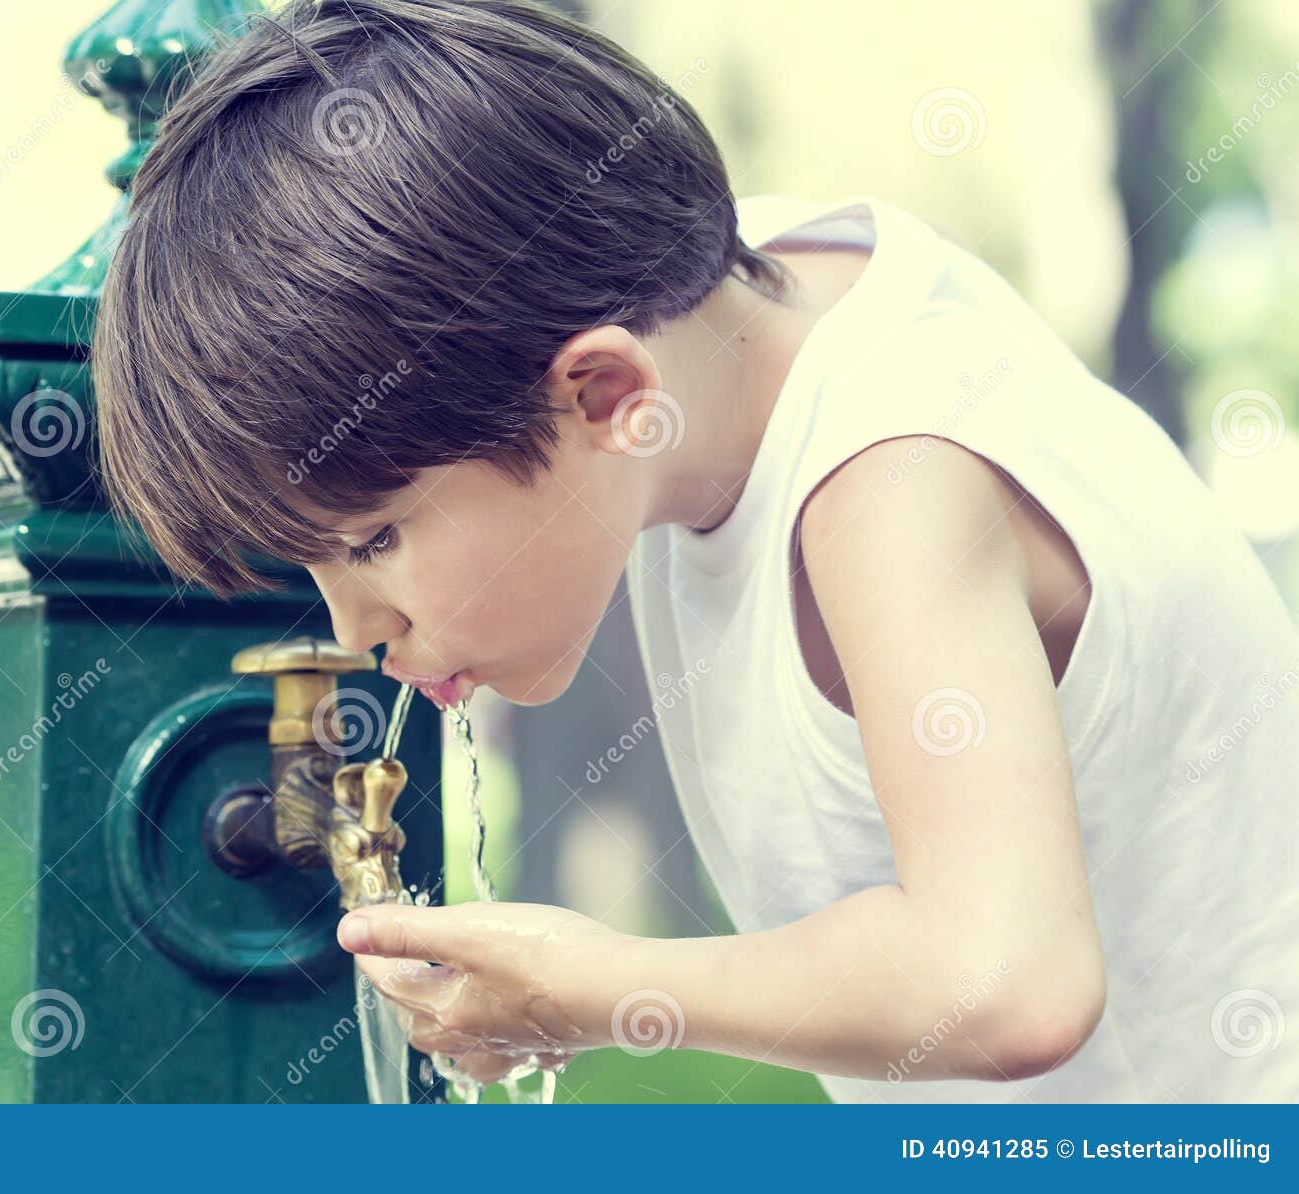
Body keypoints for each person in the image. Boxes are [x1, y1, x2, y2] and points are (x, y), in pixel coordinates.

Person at [92, 0, 1299, 1101]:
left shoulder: (891, 478)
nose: (357, 630)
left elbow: (1011, 985)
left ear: (605, 394)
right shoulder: (726, 304)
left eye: (377, 539)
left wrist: (592, 986)